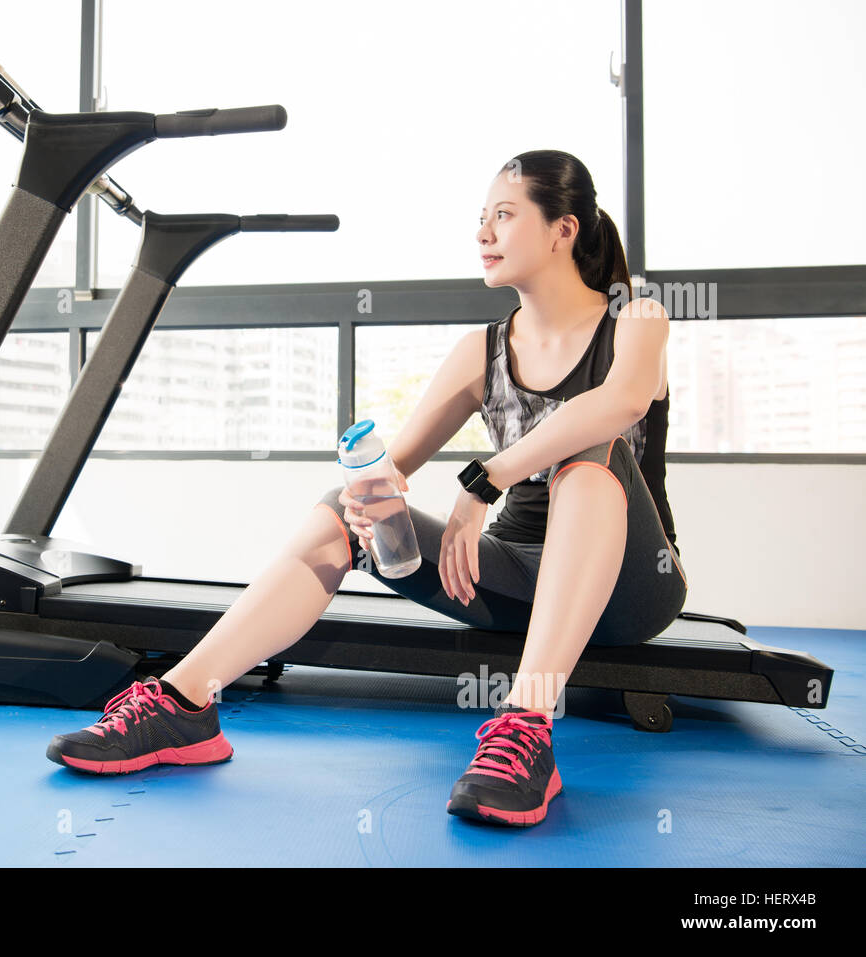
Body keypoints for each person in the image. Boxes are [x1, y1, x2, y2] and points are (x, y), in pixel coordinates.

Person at [46, 149, 687, 828]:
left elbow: (616, 405)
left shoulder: (635, 321)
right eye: (480, 219)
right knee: (340, 509)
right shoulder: (483, 351)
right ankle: (183, 705)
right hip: (511, 583)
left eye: (504, 215)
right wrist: (371, 497)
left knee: (589, 453)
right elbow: (398, 467)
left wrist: (481, 481)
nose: (483, 233)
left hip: (630, 587)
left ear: (563, 230)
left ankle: (527, 726)